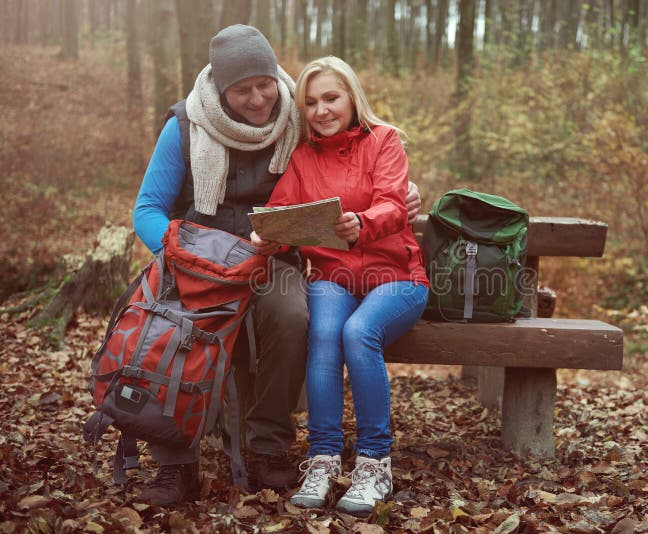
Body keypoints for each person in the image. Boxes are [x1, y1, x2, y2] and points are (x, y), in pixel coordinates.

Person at [132, 25, 421, 507]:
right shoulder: (186, 124)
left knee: (293, 318)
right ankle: (174, 461)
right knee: (174, 322)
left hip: (272, 257)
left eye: (264, 83)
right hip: (196, 257)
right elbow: (147, 209)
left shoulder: (297, 118)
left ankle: (267, 445)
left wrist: (400, 199)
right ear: (220, 90)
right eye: (242, 89)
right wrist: (179, 254)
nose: (258, 97)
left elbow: (357, 158)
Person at [250, 56, 429, 517]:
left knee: (357, 333)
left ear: (352, 97)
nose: (321, 110)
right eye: (310, 102)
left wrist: (362, 223)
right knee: (325, 334)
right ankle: (324, 459)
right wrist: (266, 235)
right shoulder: (304, 158)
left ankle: (374, 462)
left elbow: (393, 201)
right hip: (332, 276)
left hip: (397, 277)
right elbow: (280, 210)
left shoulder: (385, 141)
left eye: (331, 97)